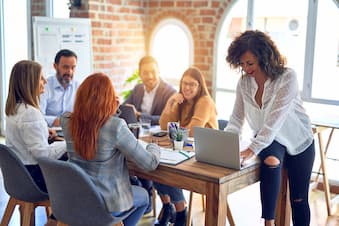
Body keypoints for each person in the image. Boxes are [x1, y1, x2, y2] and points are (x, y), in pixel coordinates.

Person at [225, 30, 315, 226]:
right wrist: (226, 144)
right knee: (271, 161)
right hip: (270, 138)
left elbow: (274, 120)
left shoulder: (287, 77)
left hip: (298, 139)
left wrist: (251, 149)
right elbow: (236, 118)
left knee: (299, 200)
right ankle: (269, 222)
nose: (246, 68)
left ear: (264, 58)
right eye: (242, 64)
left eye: (250, 63)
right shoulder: (243, 84)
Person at [60, 73, 160, 226]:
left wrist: (112, 109)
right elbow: (150, 163)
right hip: (106, 203)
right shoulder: (116, 126)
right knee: (144, 196)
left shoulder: (67, 121)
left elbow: (95, 123)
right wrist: (154, 146)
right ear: (107, 99)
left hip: (76, 198)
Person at [156, 66, 218, 226]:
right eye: (184, 83)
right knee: (154, 165)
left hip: (205, 154)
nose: (187, 88)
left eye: (192, 84)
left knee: (169, 170)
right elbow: (164, 125)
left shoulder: (205, 101)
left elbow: (191, 132)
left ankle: (181, 211)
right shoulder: (181, 101)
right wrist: (171, 102)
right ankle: (167, 205)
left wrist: (174, 130)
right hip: (185, 150)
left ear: (200, 86)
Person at [123, 55, 176, 214]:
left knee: (146, 157)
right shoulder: (138, 89)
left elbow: (168, 119)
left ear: (159, 71)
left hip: (158, 139)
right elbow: (125, 107)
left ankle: (152, 196)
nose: (150, 76)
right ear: (140, 74)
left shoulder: (169, 91)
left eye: (153, 72)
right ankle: (144, 191)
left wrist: (141, 116)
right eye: (146, 73)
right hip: (138, 136)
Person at [40, 49, 79, 127]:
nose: (70, 72)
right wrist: (57, 121)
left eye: (73, 68)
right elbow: (38, 117)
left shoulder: (78, 87)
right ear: (55, 66)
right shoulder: (44, 87)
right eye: (66, 67)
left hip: (73, 134)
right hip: (50, 134)